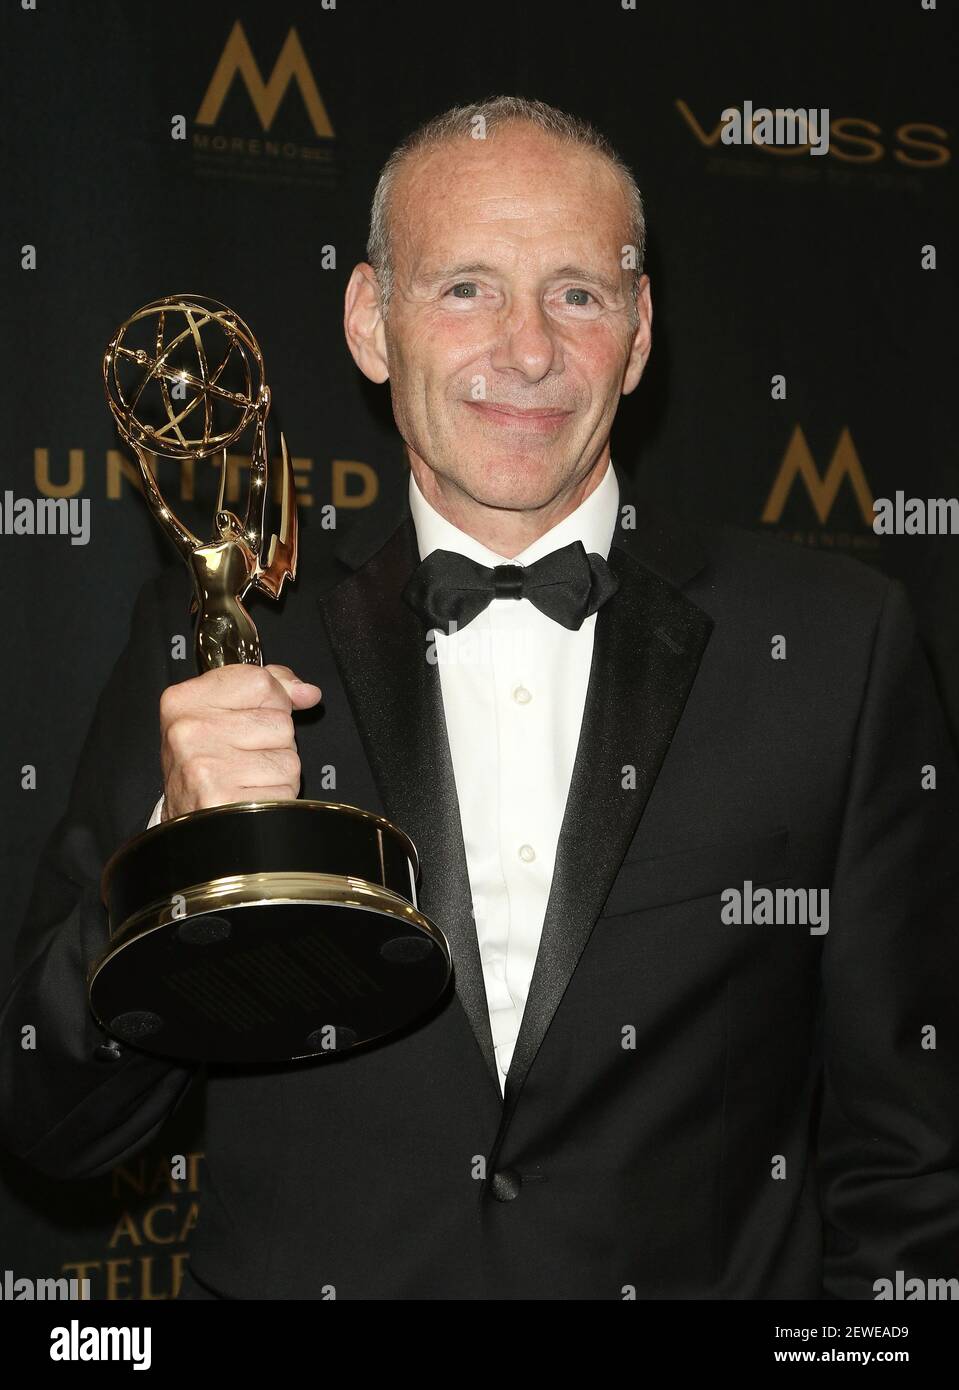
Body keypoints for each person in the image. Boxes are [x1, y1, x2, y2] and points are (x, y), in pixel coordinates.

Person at [2, 96, 957, 1301]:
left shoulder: (831, 646)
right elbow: (51, 1117)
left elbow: (913, 1167)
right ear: (368, 321)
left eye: (576, 292)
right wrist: (168, 865)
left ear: (640, 329)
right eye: (464, 288)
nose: (525, 350)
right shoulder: (215, 641)